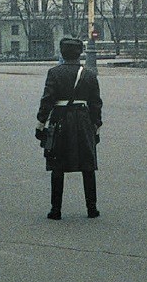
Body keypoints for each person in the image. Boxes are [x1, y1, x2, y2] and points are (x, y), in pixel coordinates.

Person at [36, 37, 102, 220]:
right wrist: (96, 126)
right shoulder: (89, 75)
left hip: (60, 120)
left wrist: (40, 124)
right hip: (83, 120)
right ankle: (92, 208)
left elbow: (47, 100)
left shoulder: (54, 73)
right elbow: (96, 104)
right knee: (88, 166)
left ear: (62, 53)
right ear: (79, 53)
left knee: (58, 166)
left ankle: (55, 210)